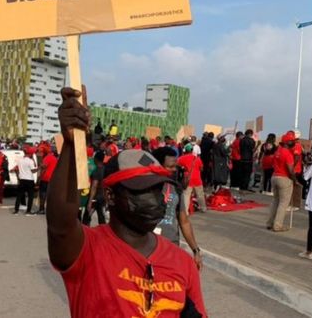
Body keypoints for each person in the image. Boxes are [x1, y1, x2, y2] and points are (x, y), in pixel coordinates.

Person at [47, 87, 206, 317]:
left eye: (159, 189)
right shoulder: (86, 250)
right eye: (142, 190)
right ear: (110, 196)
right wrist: (73, 145)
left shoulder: (183, 262)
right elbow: (59, 224)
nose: (156, 200)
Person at [152, 146, 203, 270]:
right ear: (157, 165)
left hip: (171, 248)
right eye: (170, 167)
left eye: (175, 166)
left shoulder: (176, 188)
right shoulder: (145, 187)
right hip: (149, 248)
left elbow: (184, 221)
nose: (174, 170)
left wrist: (195, 250)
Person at [267, 131, 296, 232]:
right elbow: (291, 170)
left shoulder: (278, 152)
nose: (294, 143)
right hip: (284, 179)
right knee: (283, 203)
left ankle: (270, 223)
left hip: (275, 177)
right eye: (292, 141)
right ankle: (277, 225)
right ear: (288, 142)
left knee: (275, 201)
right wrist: (295, 180)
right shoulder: (287, 154)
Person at [179, 144, 206, 214]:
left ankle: (185, 211)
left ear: (185, 150)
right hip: (197, 179)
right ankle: (203, 208)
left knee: (186, 195)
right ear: (192, 150)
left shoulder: (182, 158)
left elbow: (177, 164)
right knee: (200, 194)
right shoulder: (197, 158)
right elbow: (202, 169)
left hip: (188, 180)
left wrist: (183, 168)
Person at [82, 150, 106, 226]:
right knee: (101, 218)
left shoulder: (96, 171)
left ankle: (86, 234)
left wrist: (89, 201)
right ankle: (103, 234)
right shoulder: (106, 169)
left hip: (95, 198)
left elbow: (94, 186)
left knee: (86, 218)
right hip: (102, 197)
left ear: (96, 159)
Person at [12, 148, 37, 215]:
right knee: (30, 196)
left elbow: (17, 170)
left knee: (19, 195)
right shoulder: (30, 161)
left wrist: (18, 177)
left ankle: (16, 211)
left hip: (22, 180)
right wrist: (39, 168)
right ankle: (28, 211)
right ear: (30, 154)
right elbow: (33, 171)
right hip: (29, 180)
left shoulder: (20, 160)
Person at [37, 147, 58, 214]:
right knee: (50, 195)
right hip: (53, 179)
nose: (39, 154)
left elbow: (43, 167)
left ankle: (41, 209)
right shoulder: (55, 158)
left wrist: (39, 178)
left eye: (40, 152)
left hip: (45, 178)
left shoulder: (47, 157)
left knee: (42, 194)